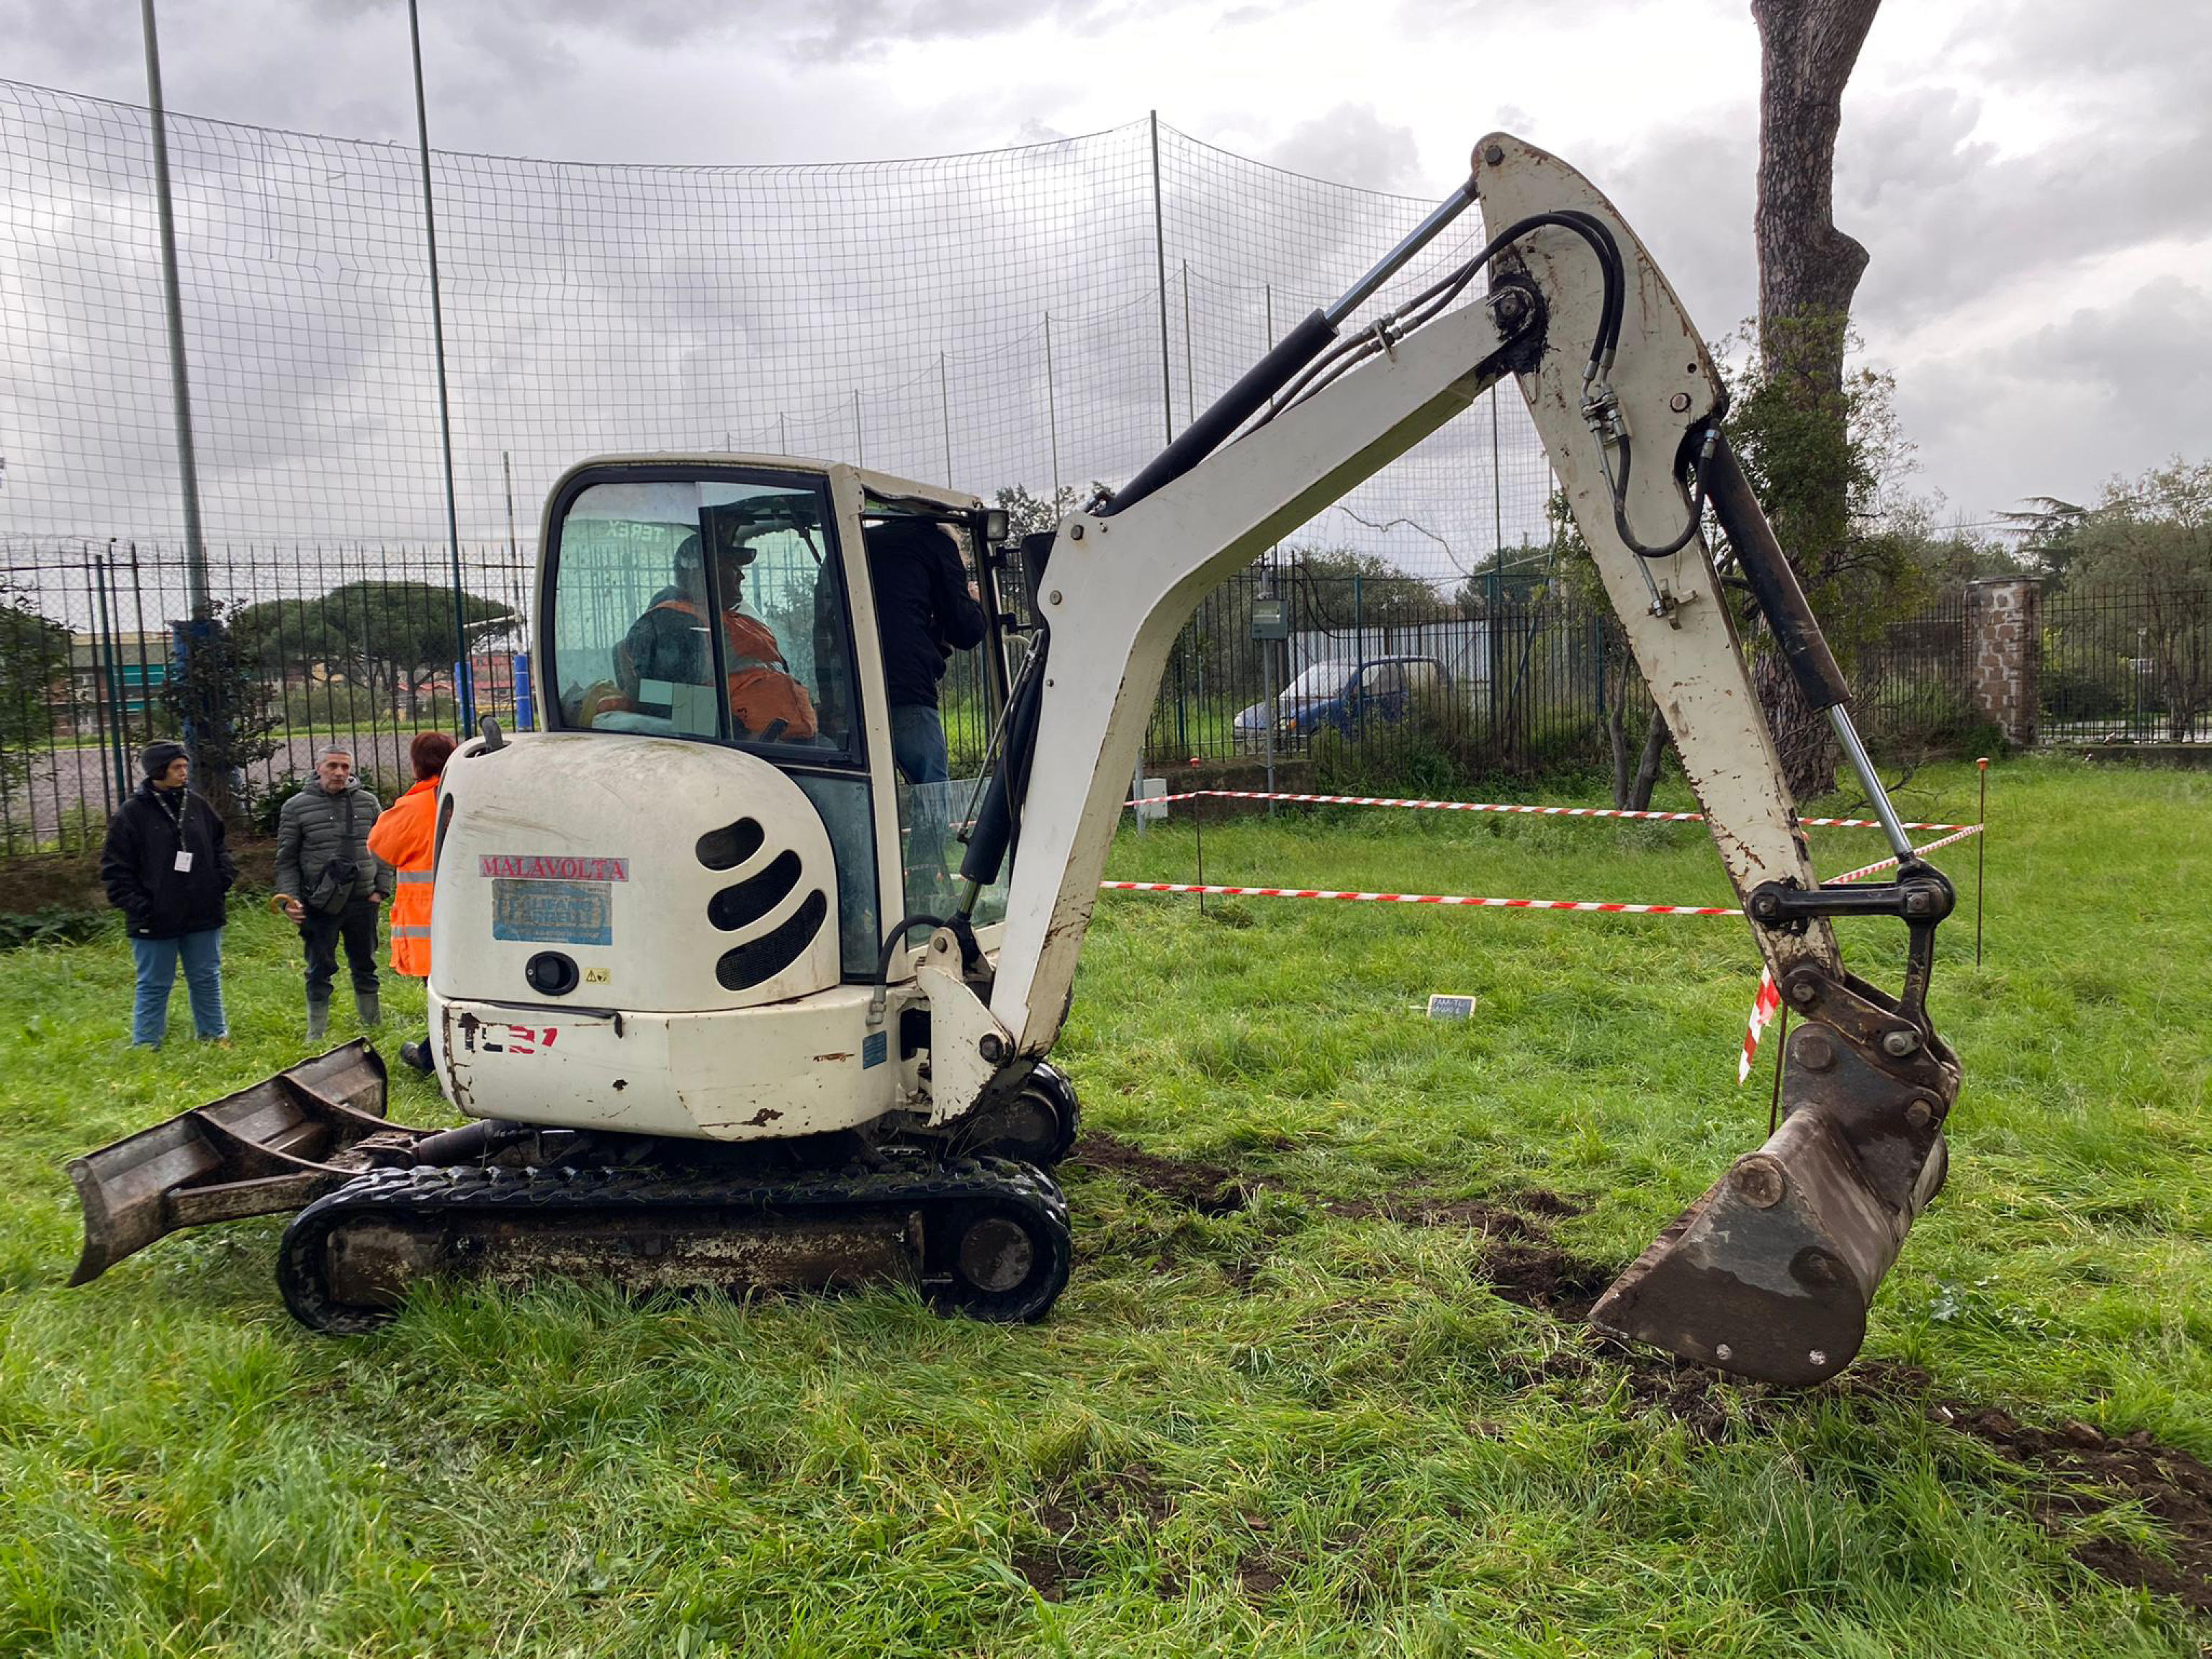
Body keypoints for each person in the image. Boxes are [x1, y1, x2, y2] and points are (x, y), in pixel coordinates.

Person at [612, 523, 818, 742]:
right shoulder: (673, 625)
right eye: (731, 567)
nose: (741, 577)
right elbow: (656, 696)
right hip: (748, 750)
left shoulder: (732, 619)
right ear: (700, 574)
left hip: (789, 742)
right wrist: (733, 731)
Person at [99, 739, 235, 1047]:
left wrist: (222, 879)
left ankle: (214, 1036)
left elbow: (219, 846)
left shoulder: (198, 806)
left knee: (206, 977)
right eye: (177, 767)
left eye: (185, 766)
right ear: (158, 770)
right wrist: (139, 904)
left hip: (202, 910)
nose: (184, 773)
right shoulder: (131, 815)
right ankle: (146, 1045)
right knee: (154, 983)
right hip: (154, 915)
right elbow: (115, 867)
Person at [272, 747, 392, 1041]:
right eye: (332, 766)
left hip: (363, 901)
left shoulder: (367, 803)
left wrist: (381, 889)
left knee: (365, 964)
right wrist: (289, 899)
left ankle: (373, 1028)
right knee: (318, 968)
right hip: (319, 904)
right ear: (318, 768)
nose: (339, 773)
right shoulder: (296, 807)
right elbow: (286, 859)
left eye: (344, 767)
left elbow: (384, 847)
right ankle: (316, 1034)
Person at [863, 517, 985, 785]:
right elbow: (965, 630)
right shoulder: (937, 544)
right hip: (905, 686)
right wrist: (974, 603)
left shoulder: (858, 542)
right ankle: (933, 829)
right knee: (931, 786)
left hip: (847, 692)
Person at [367, 731, 455, 1073]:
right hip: (473, 921)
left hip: (429, 925)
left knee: (442, 999)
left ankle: (432, 1060)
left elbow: (380, 845)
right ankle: (432, 1056)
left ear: (417, 764)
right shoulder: (475, 798)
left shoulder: (416, 806)